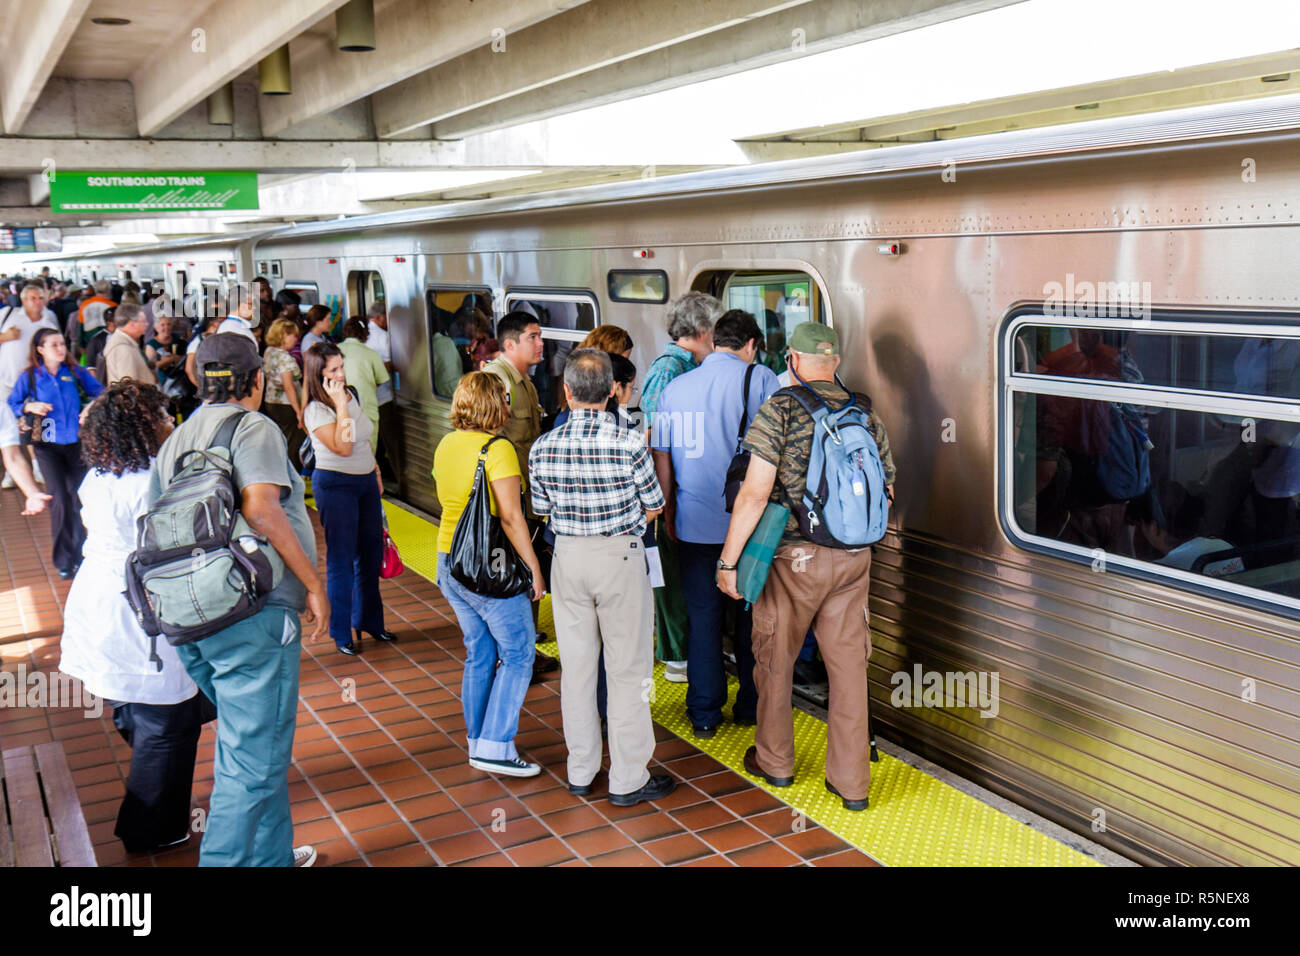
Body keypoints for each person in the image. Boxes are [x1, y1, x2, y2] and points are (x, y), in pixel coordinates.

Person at [152, 332, 326, 867]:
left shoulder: (174, 441)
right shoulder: (254, 427)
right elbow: (261, 508)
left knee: (253, 746)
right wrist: (315, 585)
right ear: (255, 380)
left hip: (190, 618)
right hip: (252, 610)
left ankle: (270, 858)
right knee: (252, 762)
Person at [717, 322, 895, 812]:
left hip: (793, 559)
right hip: (855, 559)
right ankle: (852, 783)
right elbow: (888, 490)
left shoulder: (780, 409)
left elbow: (754, 493)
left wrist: (728, 561)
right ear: (835, 360)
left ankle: (775, 763)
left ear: (792, 359)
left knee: (775, 662)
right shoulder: (865, 413)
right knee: (848, 671)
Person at [60, 380, 215, 853]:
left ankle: (161, 809)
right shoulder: (149, 481)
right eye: (164, 418)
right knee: (164, 723)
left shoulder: (103, 473)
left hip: (102, 599)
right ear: (142, 428)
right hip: (139, 605)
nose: (172, 424)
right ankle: (149, 829)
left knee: (142, 707)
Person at [529, 349, 673, 804]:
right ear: (613, 391)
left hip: (568, 560)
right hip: (621, 558)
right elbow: (655, 504)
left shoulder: (542, 446)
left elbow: (541, 509)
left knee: (577, 670)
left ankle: (581, 769)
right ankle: (629, 778)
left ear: (567, 392)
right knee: (627, 671)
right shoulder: (630, 443)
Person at [652, 309, 778, 736]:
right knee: (750, 617)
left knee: (702, 618)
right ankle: (750, 706)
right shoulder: (760, 379)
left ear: (714, 341)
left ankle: (704, 713)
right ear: (751, 345)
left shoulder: (675, 388)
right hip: (748, 529)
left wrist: (669, 510)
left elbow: (662, 458)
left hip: (692, 526)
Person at [433, 372, 545, 776]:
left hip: (449, 561)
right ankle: (496, 746)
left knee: (479, 653)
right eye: (504, 398)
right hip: (488, 568)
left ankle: (477, 739)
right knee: (518, 654)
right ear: (495, 405)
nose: (509, 405)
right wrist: (535, 570)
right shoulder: (498, 449)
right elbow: (513, 519)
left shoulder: (446, 443)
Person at [640, 291, 718, 682]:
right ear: (703, 330)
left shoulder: (690, 366)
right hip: (668, 496)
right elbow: (657, 442)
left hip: (681, 493)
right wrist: (664, 503)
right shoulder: (671, 369)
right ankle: (676, 657)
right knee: (670, 578)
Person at [301, 341, 394, 657]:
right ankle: (341, 633)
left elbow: (362, 438)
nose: (341, 374)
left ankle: (370, 621)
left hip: (365, 482)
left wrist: (376, 472)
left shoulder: (350, 393)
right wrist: (340, 404)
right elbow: (342, 446)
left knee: (370, 554)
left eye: (342, 366)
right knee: (342, 559)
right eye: (334, 370)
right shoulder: (316, 409)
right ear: (319, 374)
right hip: (335, 485)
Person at [484, 312, 559, 681]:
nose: (540, 342)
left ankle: (525, 652)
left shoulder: (525, 383)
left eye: (540, 335)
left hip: (526, 499)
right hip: (506, 503)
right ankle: (511, 657)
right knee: (510, 581)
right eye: (533, 336)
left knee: (527, 578)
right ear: (510, 343)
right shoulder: (496, 382)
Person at [7, 329, 104, 577]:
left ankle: (84, 553)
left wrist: (90, 408)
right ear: (40, 349)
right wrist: (30, 405)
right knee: (59, 500)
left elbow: (103, 393)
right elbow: (13, 403)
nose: (61, 349)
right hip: (47, 446)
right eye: (54, 345)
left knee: (79, 498)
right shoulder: (30, 377)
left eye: (62, 344)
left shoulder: (75, 373)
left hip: (76, 444)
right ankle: (63, 559)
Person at [0, 281, 57, 494]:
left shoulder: (49, 318)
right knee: (9, 424)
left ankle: (36, 466)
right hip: (5, 381)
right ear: (23, 300)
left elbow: (56, 344)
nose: (37, 302)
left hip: (34, 381)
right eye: (32, 298)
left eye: (41, 298)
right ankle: (11, 469)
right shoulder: (7, 315)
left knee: (33, 424)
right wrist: (6, 337)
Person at [337, 317, 389, 454]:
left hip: (339, 408)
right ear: (365, 334)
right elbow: (381, 379)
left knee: (346, 448)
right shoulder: (371, 354)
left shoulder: (334, 350)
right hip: (366, 408)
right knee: (368, 450)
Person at [366, 300, 403, 493]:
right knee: (391, 441)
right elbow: (391, 364)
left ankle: (382, 477)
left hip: (367, 400)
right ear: (380, 318)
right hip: (384, 397)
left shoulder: (364, 335)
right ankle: (400, 480)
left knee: (375, 442)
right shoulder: (384, 336)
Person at [262, 318, 307, 471]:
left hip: (271, 401)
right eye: (293, 335)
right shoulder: (284, 357)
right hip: (287, 404)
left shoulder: (269, 352)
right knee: (294, 442)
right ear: (283, 335)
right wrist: (298, 411)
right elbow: (288, 386)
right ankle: (291, 475)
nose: (296, 339)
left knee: (281, 439)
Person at [103, 302, 154, 385]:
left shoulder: (121, 342)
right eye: (143, 321)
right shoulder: (124, 349)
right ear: (132, 324)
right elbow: (129, 386)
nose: (147, 324)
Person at [184, 315, 225, 389]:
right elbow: (189, 369)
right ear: (213, 323)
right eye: (222, 322)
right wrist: (202, 387)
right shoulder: (198, 340)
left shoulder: (220, 339)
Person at [76, 279, 116, 352]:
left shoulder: (84, 305)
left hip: (89, 342)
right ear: (109, 290)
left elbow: (80, 327)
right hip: (109, 343)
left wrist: (81, 345)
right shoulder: (113, 306)